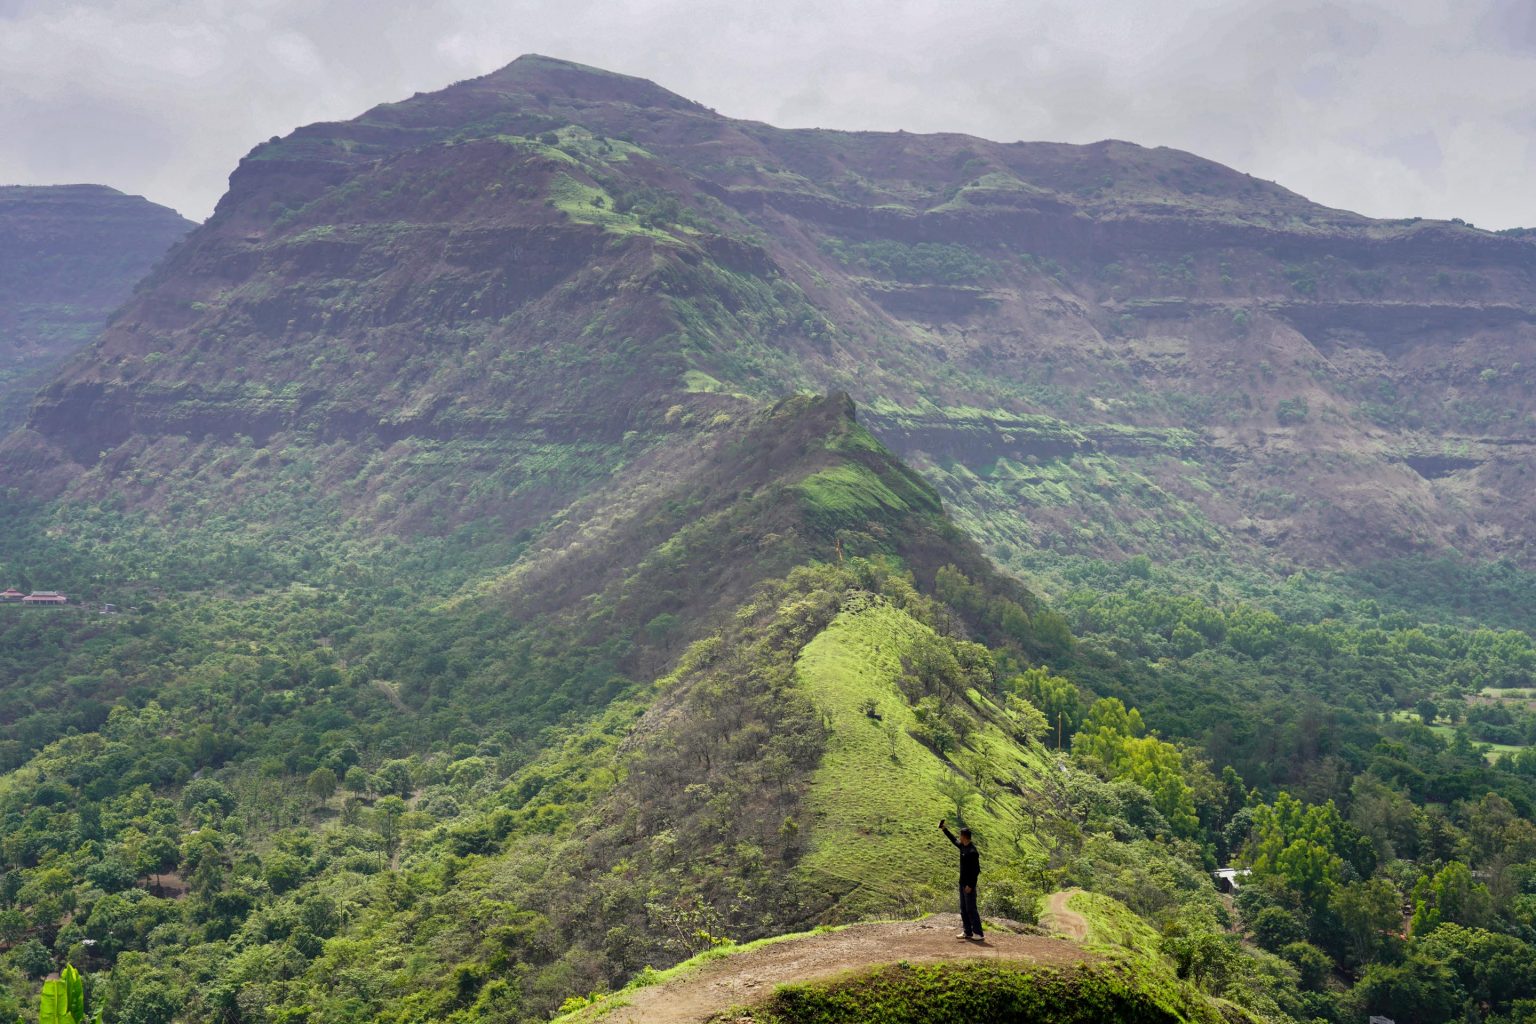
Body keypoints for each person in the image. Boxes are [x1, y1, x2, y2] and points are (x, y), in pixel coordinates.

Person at [939, 818, 983, 940]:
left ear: (964, 837)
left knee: (971, 909)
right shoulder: (963, 846)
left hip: (969, 885)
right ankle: (967, 932)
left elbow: (976, 871)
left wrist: (970, 885)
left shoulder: (973, 851)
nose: (959, 837)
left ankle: (978, 933)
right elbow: (953, 840)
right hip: (962, 883)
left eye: (960, 835)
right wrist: (944, 829)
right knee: (963, 908)